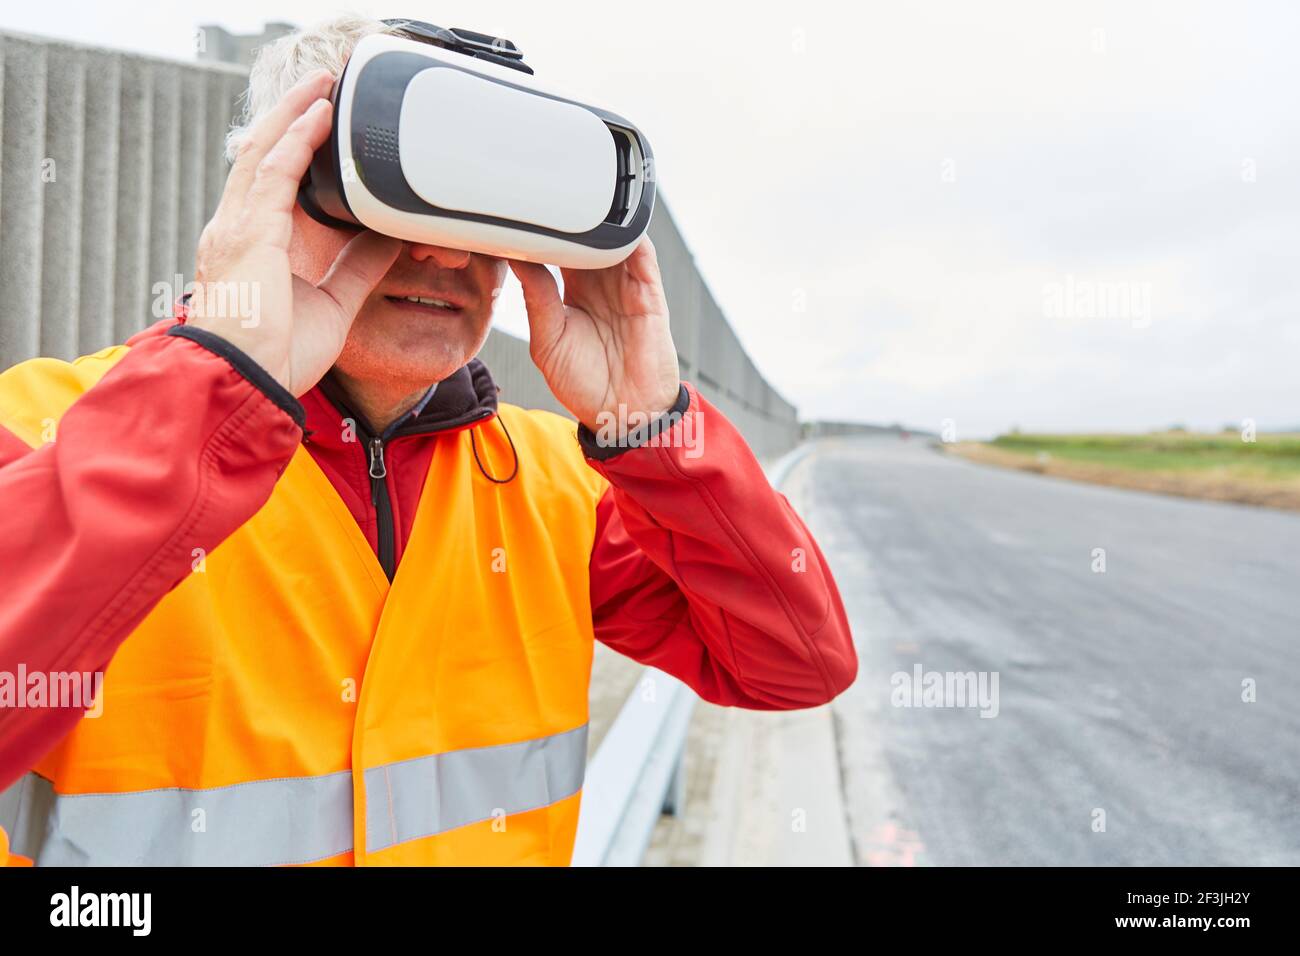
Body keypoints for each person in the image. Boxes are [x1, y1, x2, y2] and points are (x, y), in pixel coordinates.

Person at [0, 15, 855, 866]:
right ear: (269, 186)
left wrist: (653, 427)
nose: (444, 255)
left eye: (478, 205)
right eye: (386, 192)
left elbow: (795, 666)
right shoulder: (43, 432)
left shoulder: (559, 487)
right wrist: (213, 384)